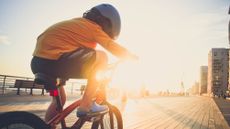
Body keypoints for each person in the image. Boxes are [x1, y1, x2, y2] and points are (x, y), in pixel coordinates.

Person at [31, 3, 137, 122]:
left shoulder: (78, 24)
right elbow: (110, 45)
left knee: (59, 100)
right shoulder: (93, 27)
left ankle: (47, 126)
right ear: (107, 22)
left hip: (38, 63)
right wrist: (131, 56)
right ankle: (86, 106)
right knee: (102, 57)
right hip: (56, 62)